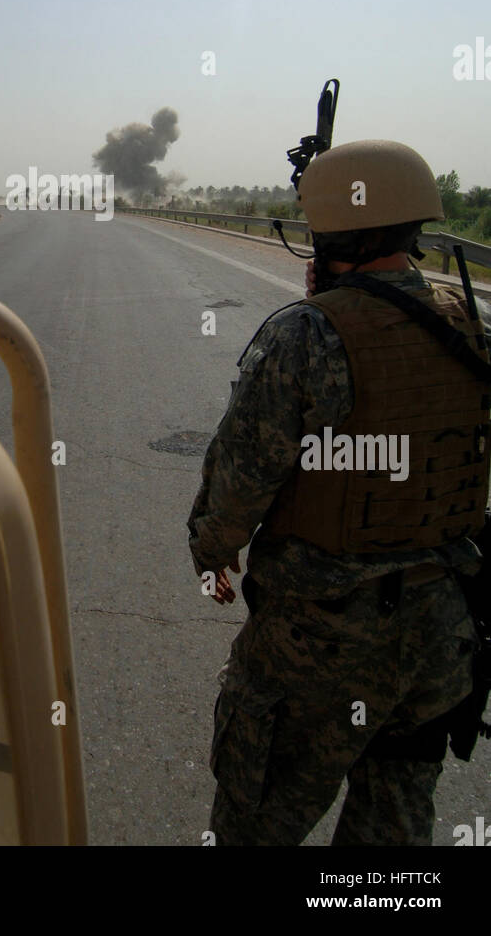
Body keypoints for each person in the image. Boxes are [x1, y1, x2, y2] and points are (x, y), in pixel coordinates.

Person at [187, 140, 491, 846]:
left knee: (255, 816)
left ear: (326, 235)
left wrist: (211, 551)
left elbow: (240, 478)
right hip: (441, 632)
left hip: (323, 641)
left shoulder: (305, 333)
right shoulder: (467, 323)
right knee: (392, 820)